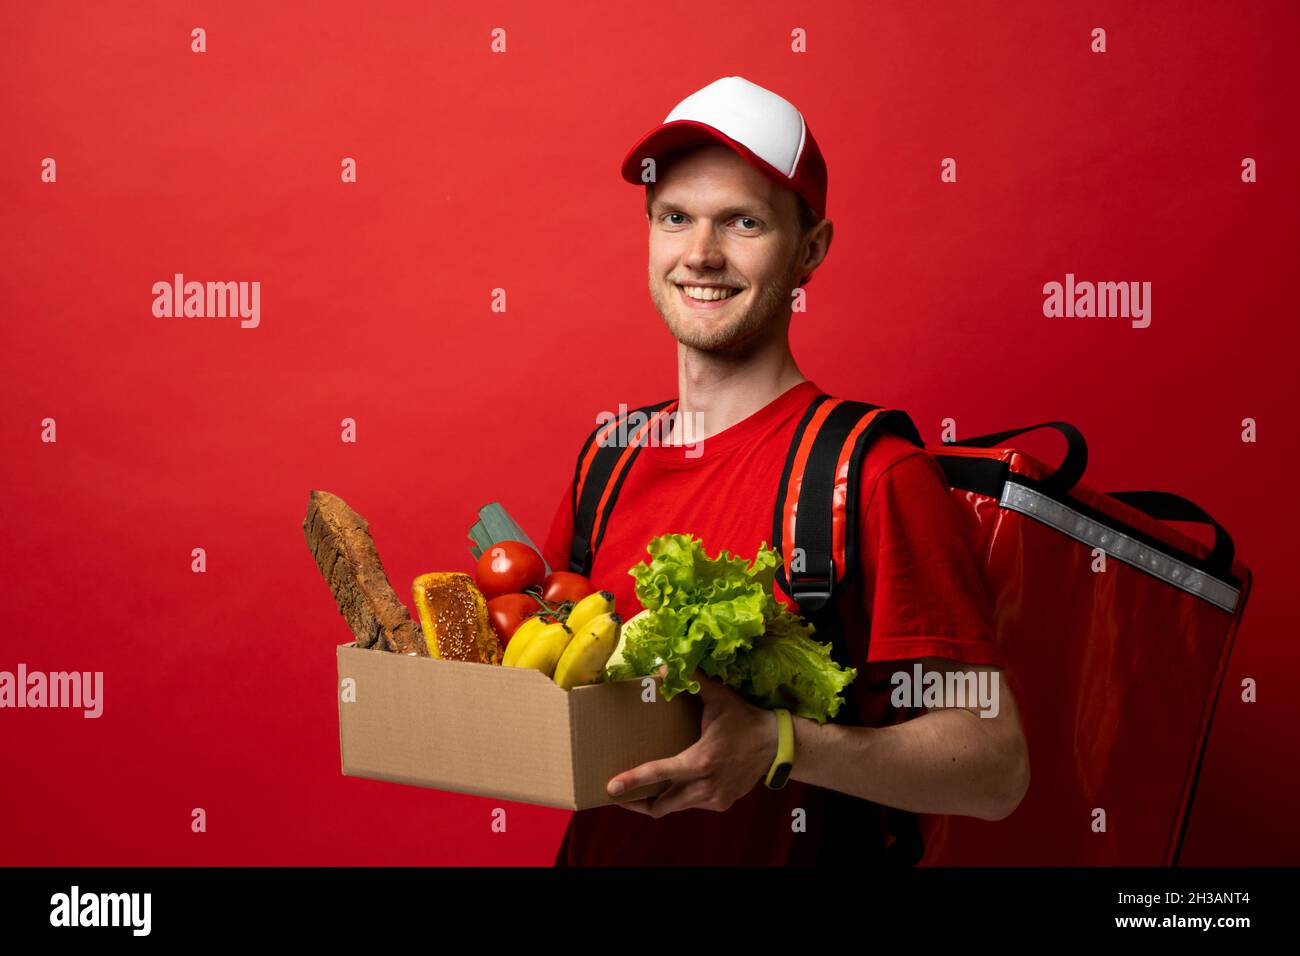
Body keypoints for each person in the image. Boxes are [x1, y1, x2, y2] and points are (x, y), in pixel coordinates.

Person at [540, 76, 1029, 866]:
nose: (700, 254)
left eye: (742, 222)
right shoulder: (609, 458)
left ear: (810, 250)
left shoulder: (869, 472)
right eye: (675, 218)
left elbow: (995, 765)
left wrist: (781, 743)